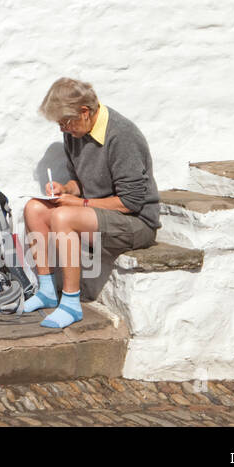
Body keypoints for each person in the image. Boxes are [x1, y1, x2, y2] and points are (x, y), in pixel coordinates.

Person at [22, 78, 161, 328]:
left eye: (65, 123)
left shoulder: (122, 135)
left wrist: (78, 204)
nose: (63, 130)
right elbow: (80, 182)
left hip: (135, 223)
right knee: (34, 208)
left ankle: (71, 303)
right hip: (100, 214)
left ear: (84, 112)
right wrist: (65, 189)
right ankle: (45, 290)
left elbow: (130, 202)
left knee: (63, 217)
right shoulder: (76, 133)